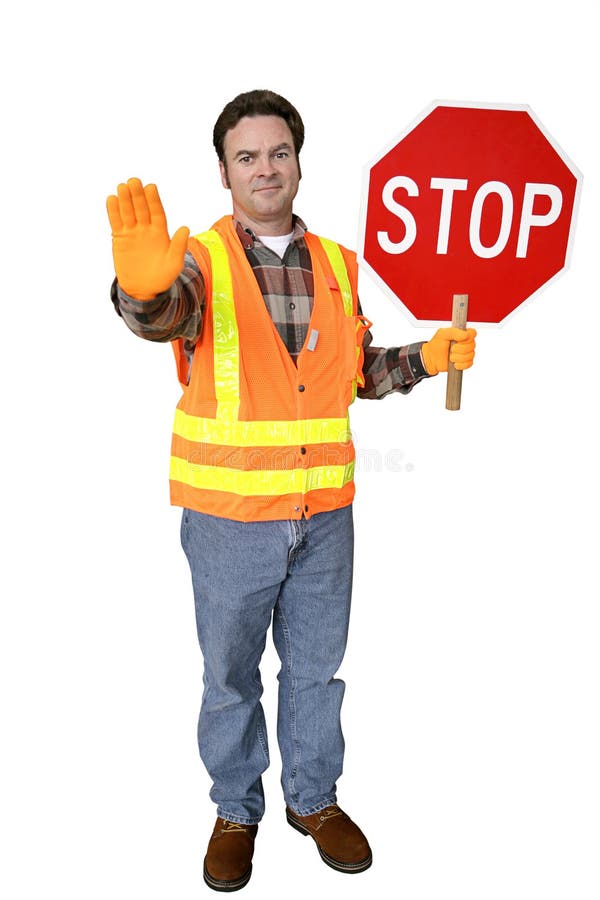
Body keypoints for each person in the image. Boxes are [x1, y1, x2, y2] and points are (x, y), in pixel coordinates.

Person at [106, 89, 476, 893]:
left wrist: (428, 358)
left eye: (279, 152)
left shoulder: (341, 263)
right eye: (248, 157)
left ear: (299, 162)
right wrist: (140, 292)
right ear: (224, 171)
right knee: (230, 676)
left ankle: (314, 799)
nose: (265, 168)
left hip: (326, 518)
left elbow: (356, 375)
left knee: (317, 672)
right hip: (232, 520)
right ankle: (237, 810)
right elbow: (165, 315)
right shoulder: (199, 261)